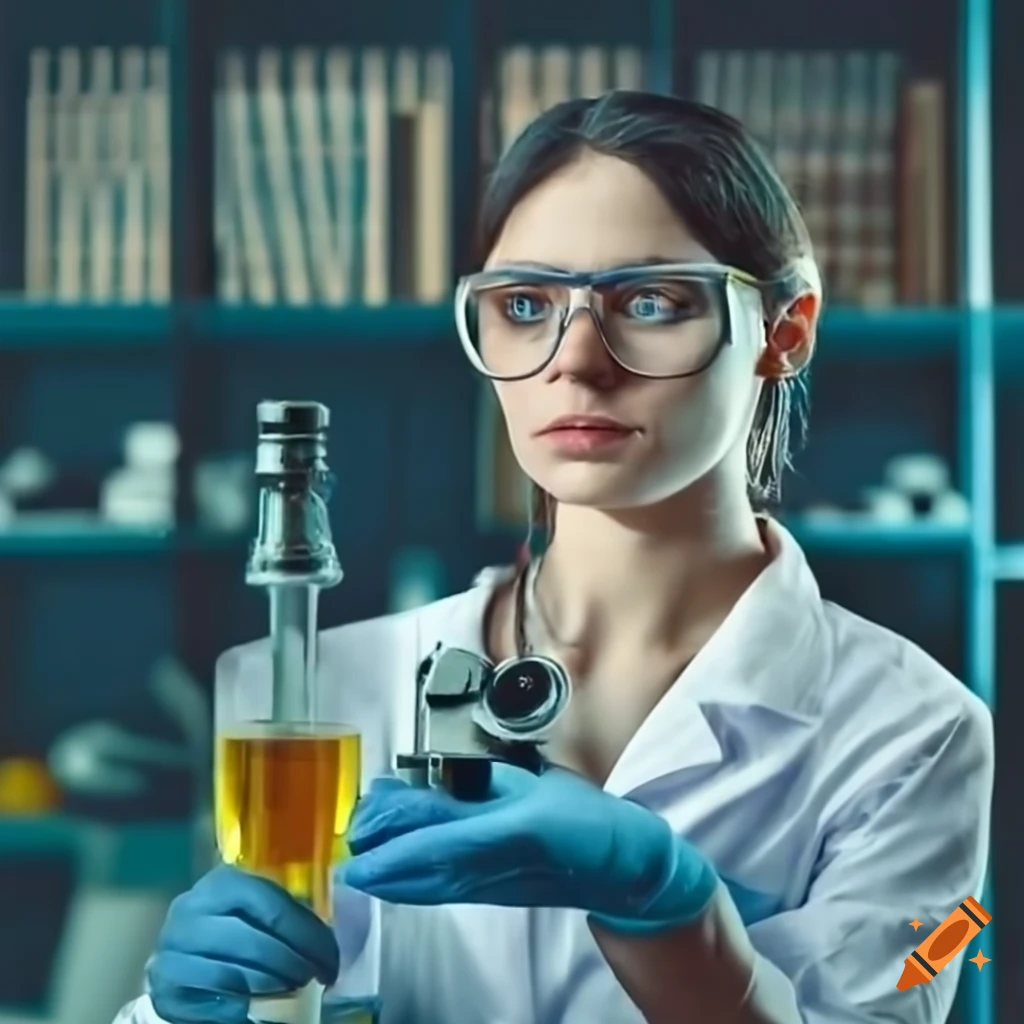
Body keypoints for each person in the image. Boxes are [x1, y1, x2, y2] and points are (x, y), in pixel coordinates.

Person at [115, 91, 994, 1024]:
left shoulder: (914, 734)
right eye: (526, 304)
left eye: (650, 301)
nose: (574, 359)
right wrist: (177, 1016)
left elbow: (900, 990)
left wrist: (674, 911)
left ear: (786, 331)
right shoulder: (326, 691)